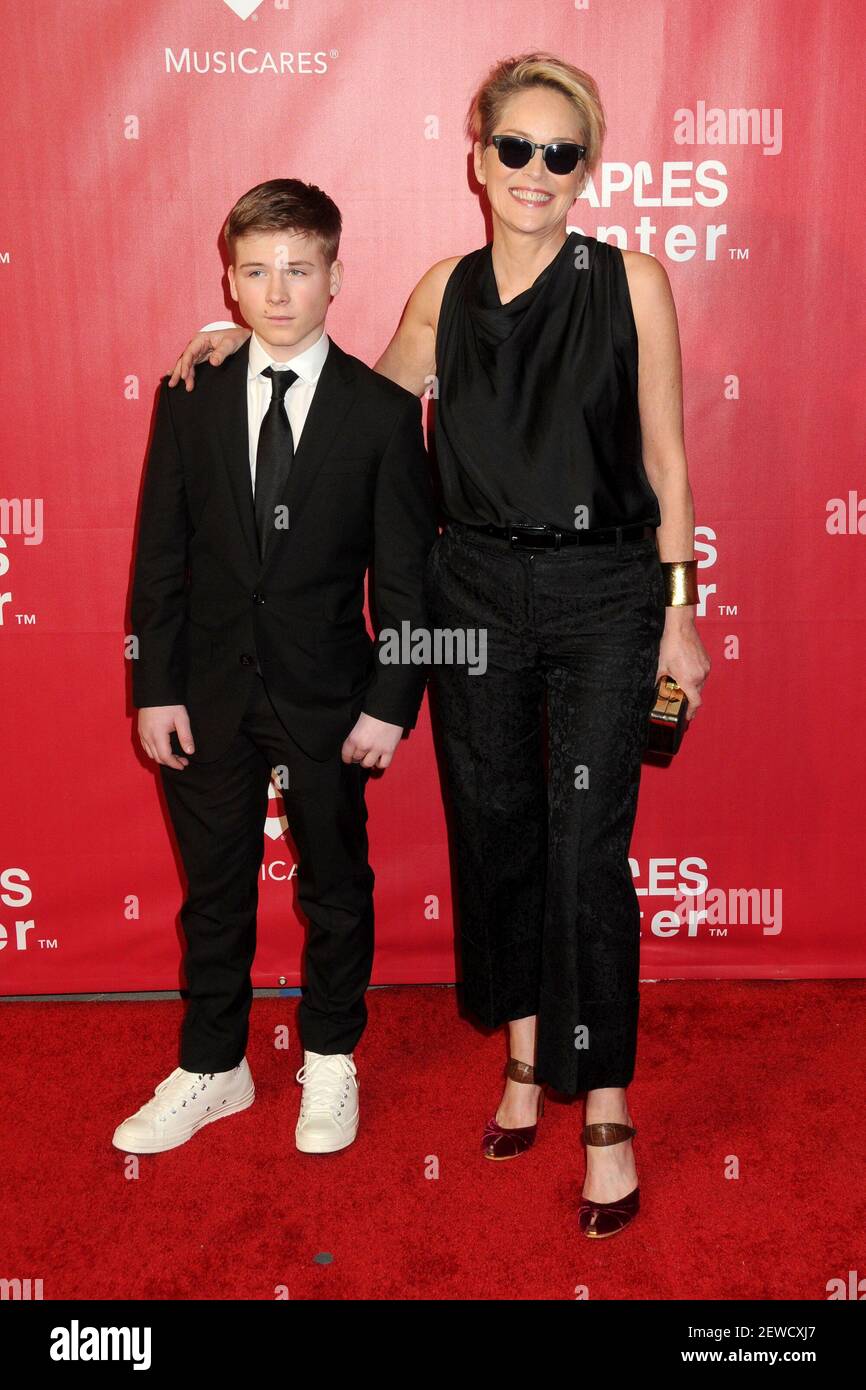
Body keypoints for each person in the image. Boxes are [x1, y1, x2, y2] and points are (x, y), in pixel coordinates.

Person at [169, 53, 711, 1238]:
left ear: (587, 170)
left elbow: (667, 460)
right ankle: (524, 1057)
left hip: (608, 593)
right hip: (468, 595)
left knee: (586, 852)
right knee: (498, 832)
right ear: (475, 157)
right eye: (512, 147)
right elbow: (355, 411)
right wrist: (243, 343)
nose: (533, 171)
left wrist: (679, 607)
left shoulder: (629, 281)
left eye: (559, 153)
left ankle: (604, 1101)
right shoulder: (442, 290)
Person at [115, 178, 438, 1156]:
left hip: (331, 697)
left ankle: (330, 1055)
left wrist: (392, 701)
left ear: (336, 276)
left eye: (299, 269)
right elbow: (159, 553)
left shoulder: (382, 415)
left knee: (333, 885)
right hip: (206, 694)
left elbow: (411, 583)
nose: (278, 290)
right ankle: (214, 1064)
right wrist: (154, 686)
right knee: (213, 889)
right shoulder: (191, 395)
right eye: (256, 271)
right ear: (229, 282)